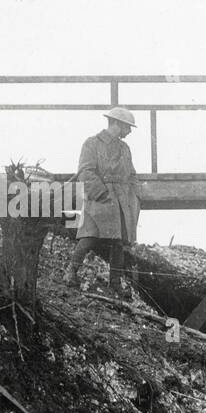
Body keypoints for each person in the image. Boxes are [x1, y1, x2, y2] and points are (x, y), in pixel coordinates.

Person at [65, 107, 144, 297]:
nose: (129, 131)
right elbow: (86, 171)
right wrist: (101, 193)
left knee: (118, 242)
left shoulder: (125, 148)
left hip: (120, 200)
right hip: (100, 197)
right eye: (127, 127)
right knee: (89, 236)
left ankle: (115, 283)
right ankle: (70, 272)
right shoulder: (92, 143)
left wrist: (134, 194)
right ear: (117, 124)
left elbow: (132, 174)